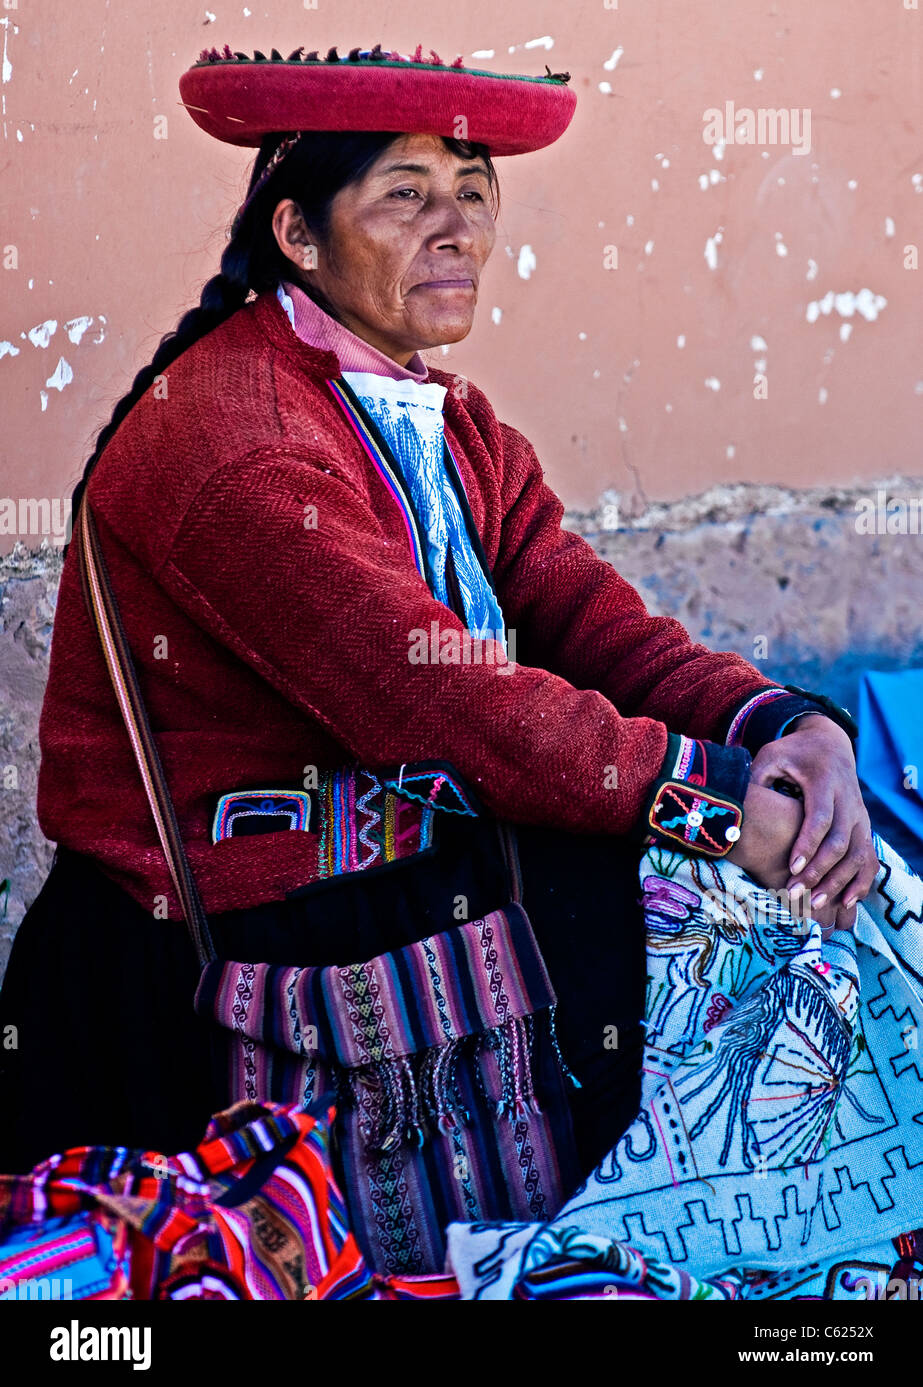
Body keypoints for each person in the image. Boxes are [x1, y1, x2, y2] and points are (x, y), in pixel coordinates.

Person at [0, 43, 877, 1185]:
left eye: (472, 193)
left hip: (379, 884)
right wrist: (718, 807)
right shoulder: (236, 442)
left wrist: (788, 730)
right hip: (214, 953)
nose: (455, 228)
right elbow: (442, 707)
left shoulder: (443, 421)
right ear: (298, 237)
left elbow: (587, 617)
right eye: (405, 195)